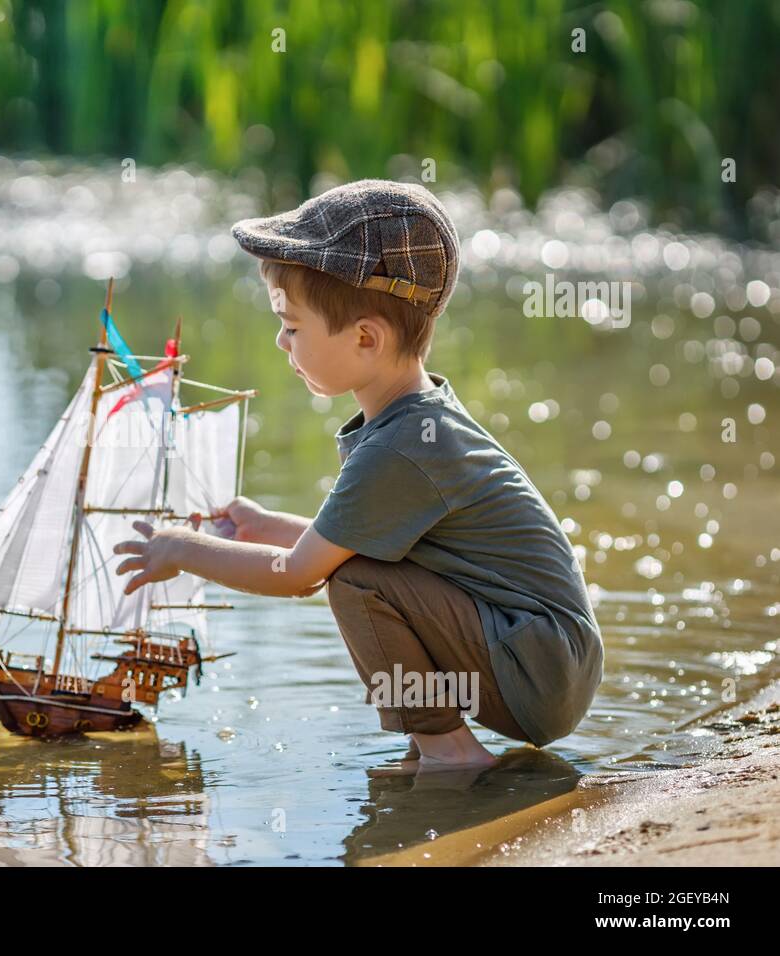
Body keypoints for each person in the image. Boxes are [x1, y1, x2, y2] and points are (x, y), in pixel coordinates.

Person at [112, 179, 604, 772]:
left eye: (292, 327)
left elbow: (301, 576)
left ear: (366, 338)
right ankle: (433, 743)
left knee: (356, 582)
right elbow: (353, 540)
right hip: (546, 662)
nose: (280, 340)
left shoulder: (401, 448)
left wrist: (183, 549)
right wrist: (266, 525)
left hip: (540, 669)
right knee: (362, 567)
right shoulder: (415, 420)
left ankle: (448, 752)